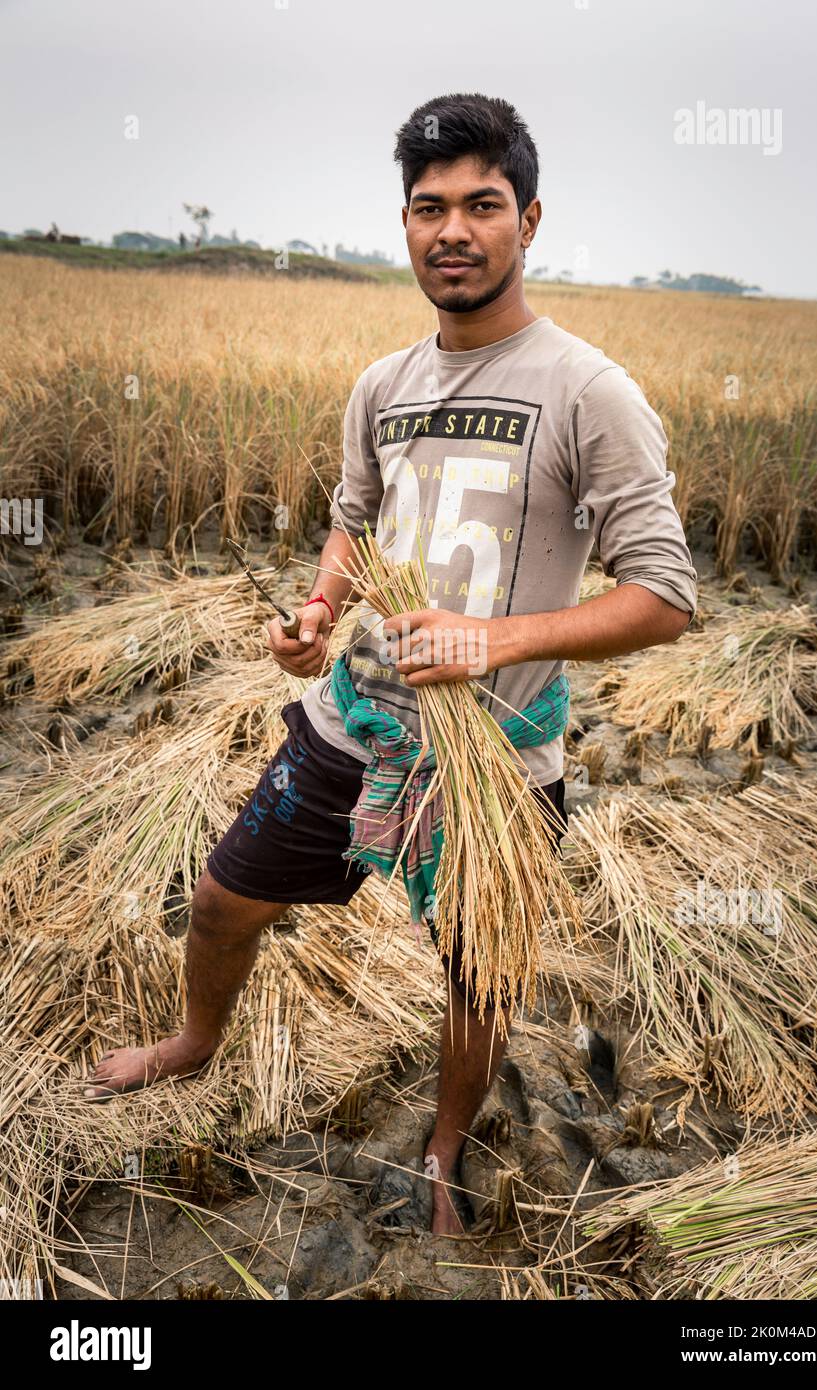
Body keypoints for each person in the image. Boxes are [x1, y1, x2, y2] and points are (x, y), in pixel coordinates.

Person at [84, 92, 698, 1236]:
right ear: (404, 224)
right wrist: (318, 609)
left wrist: (494, 640)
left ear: (528, 221)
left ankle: (443, 1145)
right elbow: (353, 526)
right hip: (354, 718)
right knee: (222, 900)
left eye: (481, 204)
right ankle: (193, 1040)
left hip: (497, 758)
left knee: (478, 978)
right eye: (429, 208)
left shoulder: (587, 391)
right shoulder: (384, 385)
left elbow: (664, 597)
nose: (452, 230)